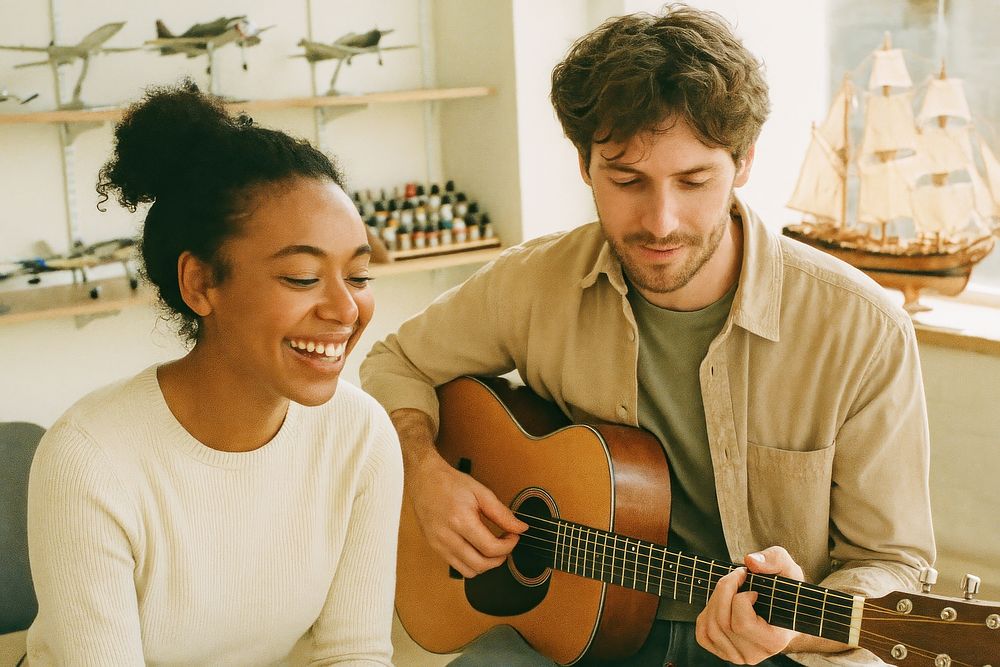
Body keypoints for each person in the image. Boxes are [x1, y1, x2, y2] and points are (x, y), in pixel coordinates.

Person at [360, 6, 934, 667]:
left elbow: (892, 564)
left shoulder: (861, 330)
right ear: (583, 164)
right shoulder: (534, 282)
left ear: (744, 162)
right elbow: (393, 360)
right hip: (574, 625)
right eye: (626, 180)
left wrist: (794, 625)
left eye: (693, 181)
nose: (660, 221)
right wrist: (423, 471)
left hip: (772, 649)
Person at [25, 82, 403, 665]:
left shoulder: (362, 435)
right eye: (303, 277)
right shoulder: (90, 458)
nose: (346, 310)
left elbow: (352, 651)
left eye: (358, 276)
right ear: (200, 284)